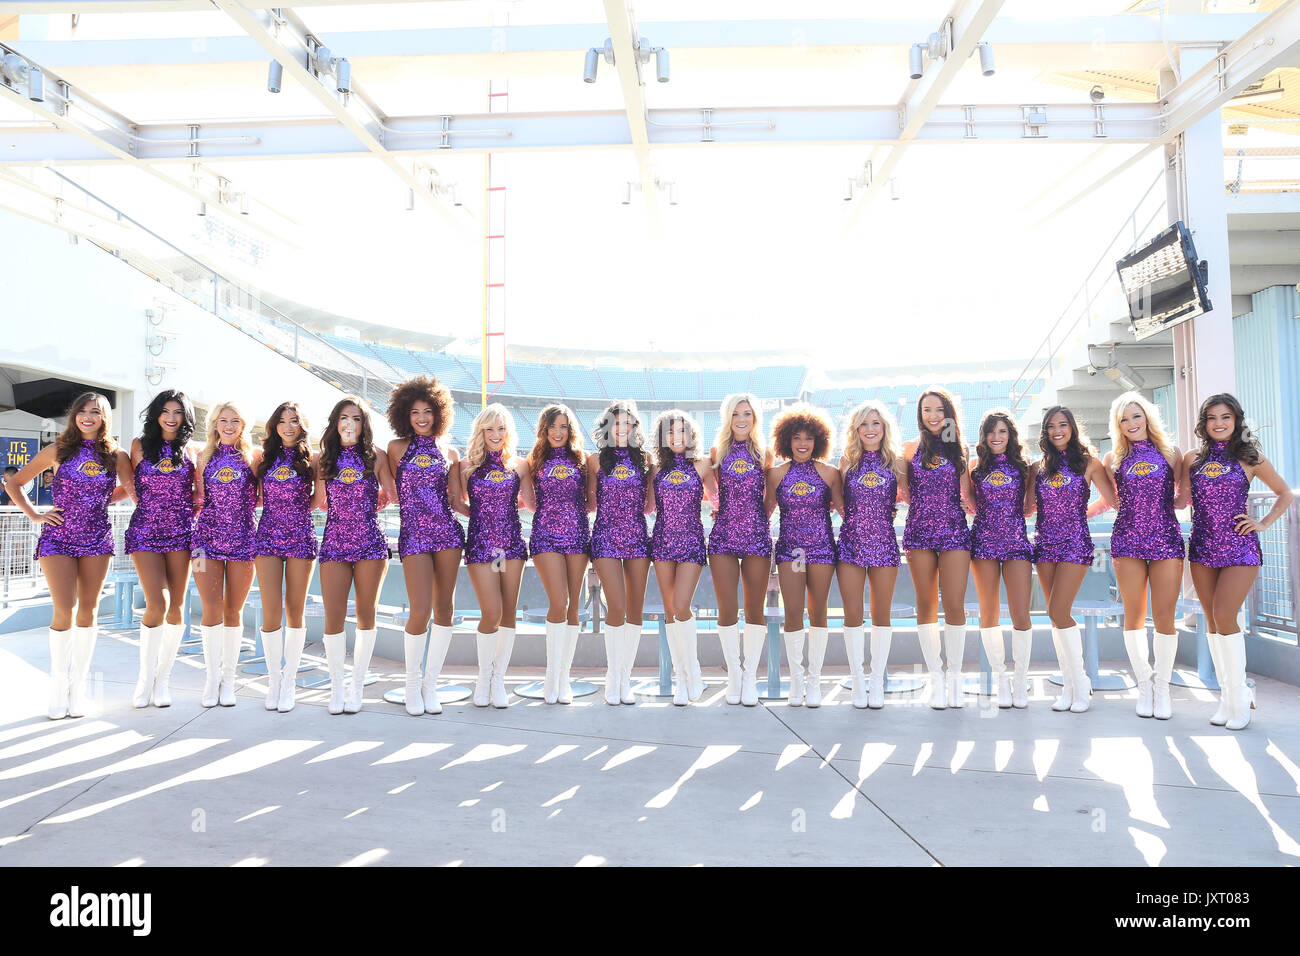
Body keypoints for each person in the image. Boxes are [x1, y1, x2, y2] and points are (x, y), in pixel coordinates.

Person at [4, 393, 131, 719]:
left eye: (95, 412)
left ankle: (79, 689)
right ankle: (58, 689)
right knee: (65, 608)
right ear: (74, 415)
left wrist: (102, 498)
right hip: (58, 538)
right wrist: (35, 516)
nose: (88, 417)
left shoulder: (116, 455)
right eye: (83, 412)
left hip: (97, 538)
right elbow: (14, 484)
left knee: (88, 610)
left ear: (104, 418)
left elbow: (128, 490)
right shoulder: (57, 450)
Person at [1180, 393, 1293, 731]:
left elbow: (1284, 493)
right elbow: (1182, 499)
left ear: (1236, 420)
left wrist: (1263, 523)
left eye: (1225, 417)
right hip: (1202, 546)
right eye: (1212, 417)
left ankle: (1240, 694)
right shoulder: (1192, 458)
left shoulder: (1251, 457)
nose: (1219, 423)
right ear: (1204, 422)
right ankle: (1226, 697)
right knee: (1211, 622)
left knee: (1225, 614)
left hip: (1239, 547)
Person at [1101, 391, 1186, 720]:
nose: (1131, 423)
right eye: (1124, 419)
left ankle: (1162, 688)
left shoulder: (1172, 453)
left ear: (1147, 417)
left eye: (1136, 416)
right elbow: (1112, 501)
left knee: (1165, 616)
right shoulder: (1113, 459)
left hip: (1165, 538)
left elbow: (1182, 497)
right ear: (1118, 425)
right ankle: (1144, 685)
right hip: (1127, 540)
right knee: (1133, 616)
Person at [387, 377, 465, 716]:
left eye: (428, 412)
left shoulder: (450, 452)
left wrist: (498, 510)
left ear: (439, 414)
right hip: (414, 536)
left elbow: (456, 500)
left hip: (448, 535)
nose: (421, 418)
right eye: (415, 412)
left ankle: (431, 684)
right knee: (420, 610)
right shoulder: (395, 448)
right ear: (405, 413)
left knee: (445, 609)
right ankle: (410, 684)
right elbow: (389, 492)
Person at [1032, 406, 1117, 713]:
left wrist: (1086, 512)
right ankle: (1069, 687)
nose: (1057, 430)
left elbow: (1112, 499)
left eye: (1063, 424)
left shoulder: (1089, 463)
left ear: (1072, 427)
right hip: (1044, 545)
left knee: (1059, 610)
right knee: (1055, 617)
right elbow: (1029, 506)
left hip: (1075, 544)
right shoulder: (1039, 466)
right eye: (1052, 426)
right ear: (1045, 431)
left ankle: (1081, 683)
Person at [316, 397, 396, 715]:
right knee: (333, 616)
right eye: (345, 418)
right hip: (334, 543)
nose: (350, 423)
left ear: (364, 424)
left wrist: (370, 506)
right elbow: (321, 501)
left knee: (366, 613)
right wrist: (343, 511)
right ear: (336, 423)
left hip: (370, 544)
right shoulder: (325, 458)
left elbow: (391, 493)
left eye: (357, 418)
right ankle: (337, 687)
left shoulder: (376, 455)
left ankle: (357, 685)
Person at [901, 387, 974, 709]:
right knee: (926, 605)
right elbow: (902, 493)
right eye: (926, 410)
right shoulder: (908, 449)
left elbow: (968, 495)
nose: (932, 416)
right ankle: (936, 678)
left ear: (948, 413)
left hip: (955, 533)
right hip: (918, 533)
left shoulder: (960, 448)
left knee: (955, 604)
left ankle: (954, 678)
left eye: (938, 410)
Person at [124, 390, 197, 709]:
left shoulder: (193, 450)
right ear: (156, 414)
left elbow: (200, 494)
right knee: (158, 601)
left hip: (182, 533)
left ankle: (162, 680)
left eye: (177, 412)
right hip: (145, 531)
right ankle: (144, 678)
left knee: (177, 607)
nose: (171, 417)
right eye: (165, 411)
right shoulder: (139, 446)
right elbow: (129, 487)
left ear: (185, 417)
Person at [766, 404, 842, 707]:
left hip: (823, 549)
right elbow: (765, 512)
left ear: (819, 441)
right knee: (794, 612)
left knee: (819, 612)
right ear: (787, 439)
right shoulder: (775, 474)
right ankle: (796, 680)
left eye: (809, 438)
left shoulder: (831, 473)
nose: (802, 444)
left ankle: (814, 680)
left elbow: (845, 510)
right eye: (796, 437)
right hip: (791, 552)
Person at [455, 404, 527, 709]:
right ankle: (483, 677)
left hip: (510, 544)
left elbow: (531, 501)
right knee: (491, 612)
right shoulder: (466, 465)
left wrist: (505, 513)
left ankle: (499, 679)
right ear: (481, 431)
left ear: (508, 431)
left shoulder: (520, 465)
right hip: (483, 546)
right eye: (490, 429)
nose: (496, 435)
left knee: (508, 613)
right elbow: (457, 502)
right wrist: (483, 516)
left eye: (501, 428)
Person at [518, 403, 589, 704]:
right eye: (553, 427)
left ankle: (564, 678)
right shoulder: (533, 460)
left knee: (574, 606)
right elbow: (530, 502)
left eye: (563, 427)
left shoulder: (582, 459)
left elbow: (592, 500)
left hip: (578, 534)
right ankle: (551, 675)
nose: (558, 432)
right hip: (546, 534)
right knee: (558, 601)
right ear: (544, 429)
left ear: (570, 430)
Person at [708, 393, 774, 706]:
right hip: (722, 537)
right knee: (727, 609)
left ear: (755, 418)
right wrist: (720, 509)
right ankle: (734, 675)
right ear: (728, 418)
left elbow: (770, 498)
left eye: (747, 414)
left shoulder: (765, 453)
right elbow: (711, 492)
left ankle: (750, 678)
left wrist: (756, 519)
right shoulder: (717, 451)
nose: (741, 420)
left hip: (757, 537)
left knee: (754, 609)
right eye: (736, 414)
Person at [836, 401, 904, 708]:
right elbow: (837, 503)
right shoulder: (846, 462)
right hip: (850, 543)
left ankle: (877, 682)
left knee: (881, 616)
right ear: (856, 429)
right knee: (852, 616)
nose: (870, 429)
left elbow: (916, 499)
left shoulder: (897, 463)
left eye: (875, 423)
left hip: (885, 543)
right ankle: (858, 683)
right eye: (864, 424)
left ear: (884, 427)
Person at [253, 401, 319, 713]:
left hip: (301, 536)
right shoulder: (262, 458)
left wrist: (294, 516)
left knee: (295, 609)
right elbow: (254, 497)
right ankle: (273, 681)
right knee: (270, 611)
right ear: (274, 426)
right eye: (282, 421)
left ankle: (289, 680)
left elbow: (318, 500)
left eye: (294, 420)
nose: (288, 426)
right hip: (266, 536)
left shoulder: (313, 459)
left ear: (302, 424)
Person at [648, 409, 717, 706]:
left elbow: (718, 499)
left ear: (692, 436)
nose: (677, 437)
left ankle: (695, 674)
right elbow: (648, 506)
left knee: (681, 606)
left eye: (683, 432)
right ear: (663, 438)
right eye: (671, 432)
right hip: (662, 540)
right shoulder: (655, 468)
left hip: (690, 540)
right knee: (668, 611)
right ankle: (682, 678)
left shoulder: (702, 465)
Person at [192, 400, 258, 708]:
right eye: (223, 420)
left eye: (235, 420)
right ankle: (210, 679)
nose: (228, 425)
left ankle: (229, 680)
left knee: (233, 611)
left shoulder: (254, 457)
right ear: (215, 424)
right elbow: (197, 498)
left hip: (244, 539)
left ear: (243, 425)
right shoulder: (203, 457)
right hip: (203, 543)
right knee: (210, 609)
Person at [969, 409, 1035, 709]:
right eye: (991, 432)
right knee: (989, 613)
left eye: (1002, 432)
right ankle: (1000, 679)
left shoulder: (1025, 467)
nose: (996, 437)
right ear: (984, 436)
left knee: (1021, 613)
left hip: (1017, 543)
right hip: (983, 543)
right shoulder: (975, 468)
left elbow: (1030, 506)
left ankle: (1020, 680)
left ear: (1011, 436)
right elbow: (969, 502)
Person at [587, 400, 652, 706]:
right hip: (605, 538)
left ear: (635, 427)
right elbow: (587, 501)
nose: (622, 428)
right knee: (617, 606)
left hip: (638, 538)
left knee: (636, 610)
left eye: (628, 423)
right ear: (607, 427)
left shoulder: (646, 461)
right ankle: (613, 677)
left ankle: (626, 678)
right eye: (616, 423)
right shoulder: (594, 461)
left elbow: (651, 504)